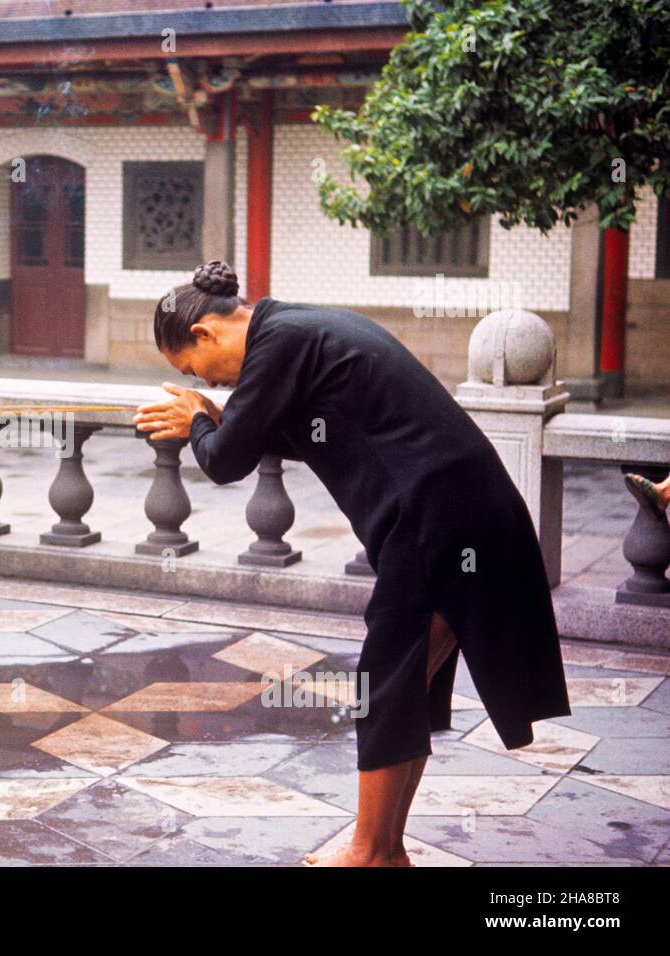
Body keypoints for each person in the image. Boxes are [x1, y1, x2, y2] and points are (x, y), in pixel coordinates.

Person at [133, 260, 572, 867]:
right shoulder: (297, 326)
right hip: (457, 512)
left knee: (386, 684)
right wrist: (215, 415)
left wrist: (199, 420)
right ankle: (384, 851)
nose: (202, 380)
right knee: (401, 686)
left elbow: (228, 461)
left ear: (205, 333)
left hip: (436, 522)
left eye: (190, 367)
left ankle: (369, 853)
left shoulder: (277, 342)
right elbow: (298, 433)